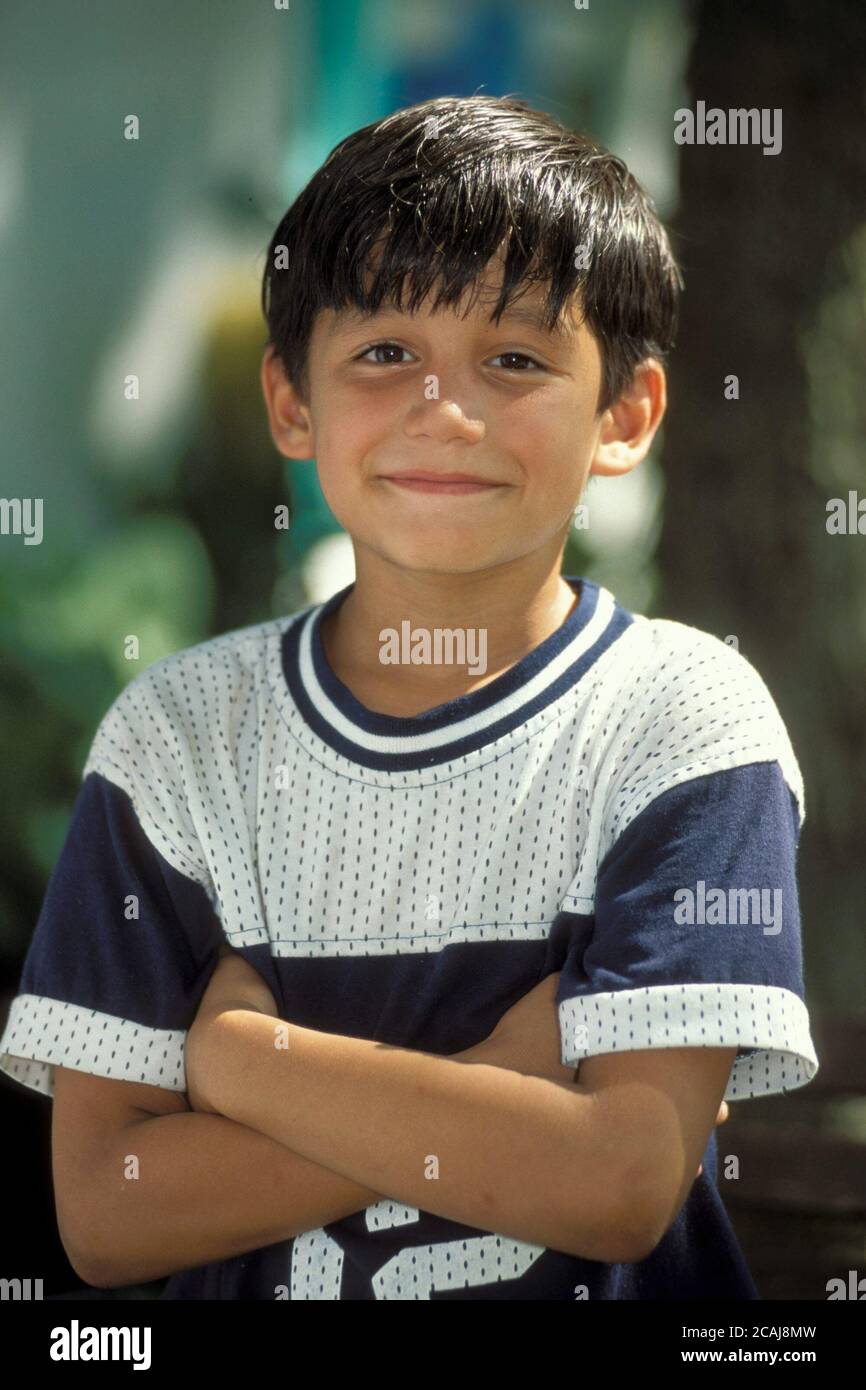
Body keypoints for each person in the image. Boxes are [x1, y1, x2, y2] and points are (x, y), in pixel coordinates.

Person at [0, 94, 818, 1300]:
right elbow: (108, 1214)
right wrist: (497, 1077)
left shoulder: (681, 719)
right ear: (293, 401)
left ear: (624, 413)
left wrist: (244, 1061)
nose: (443, 410)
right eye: (384, 353)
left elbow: (618, 1183)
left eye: (515, 358)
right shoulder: (179, 738)